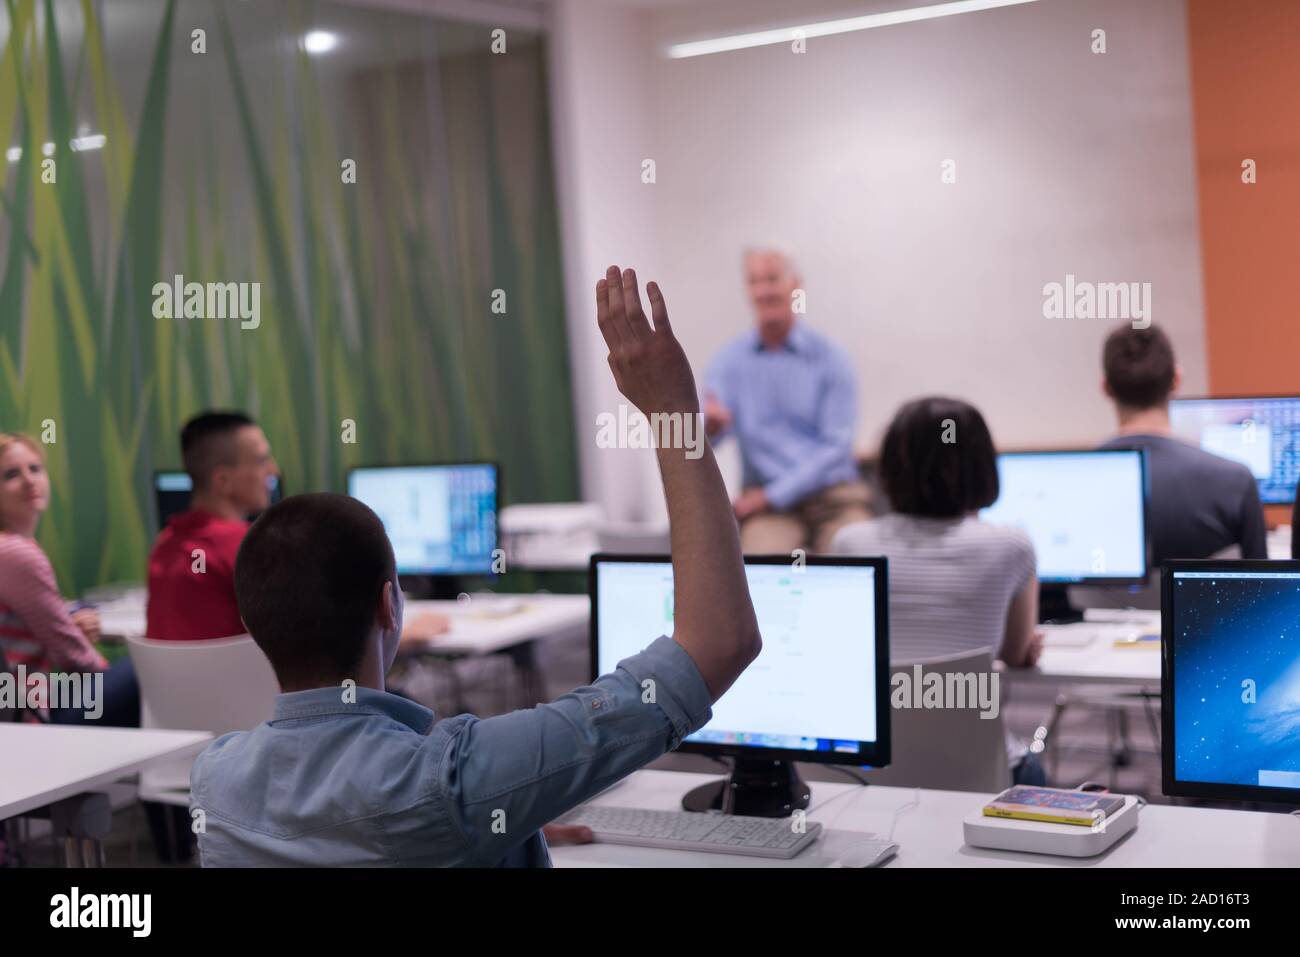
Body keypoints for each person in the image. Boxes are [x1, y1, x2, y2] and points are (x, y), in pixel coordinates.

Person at [188, 265, 762, 866]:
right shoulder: (454, 781)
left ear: (255, 626)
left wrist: (514, 824)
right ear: (390, 606)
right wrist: (673, 411)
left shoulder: (215, 781)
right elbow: (717, 644)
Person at [830, 398, 1045, 785]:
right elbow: (1015, 653)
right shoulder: (1013, 546)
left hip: (867, 771)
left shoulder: (850, 543)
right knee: (1033, 767)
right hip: (982, 776)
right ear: (982, 467)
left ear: (891, 467)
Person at [704, 246, 871, 554]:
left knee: (857, 558)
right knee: (760, 564)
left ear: (796, 285)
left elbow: (836, 448)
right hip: (769, 512)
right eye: (754, 281)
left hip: (834, 500)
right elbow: (707, 438)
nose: (763, 290)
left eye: (772, 278)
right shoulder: (728, 363)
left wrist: (772, 495)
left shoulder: (831, 359)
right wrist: (709, 427)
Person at [0, 433, 138, 726]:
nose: (29, 480)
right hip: (29, 720)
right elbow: (74, 657)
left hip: (15, 708)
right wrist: (108, 676)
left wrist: (66, 616)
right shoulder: (16, 553)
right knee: (143, 672)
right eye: (11, 474)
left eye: (35, 468)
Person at [1098, 325, 1266, 565]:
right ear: (1176, 380)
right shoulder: (1235, 480)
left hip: (1092, 605)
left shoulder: (1070, 481)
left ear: (1105, 387)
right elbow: (1262, 586)